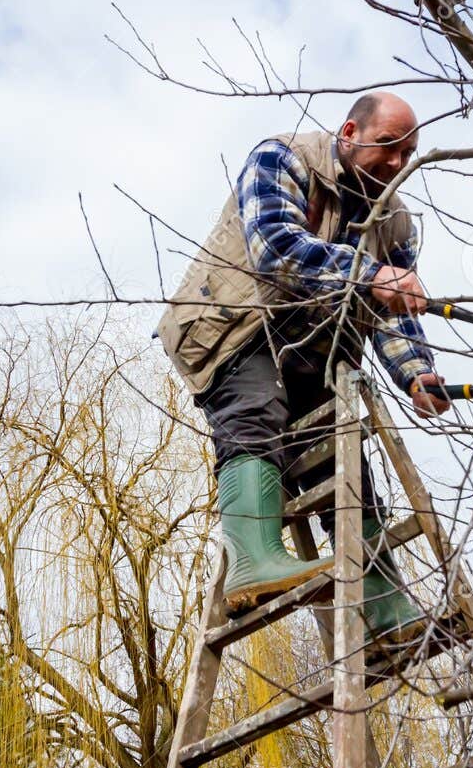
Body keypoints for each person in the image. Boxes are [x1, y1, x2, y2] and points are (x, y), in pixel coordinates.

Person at [156, 92, 448, 634]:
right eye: (387, 145)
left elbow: (388, 311)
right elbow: (275, 247)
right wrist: (370, 275)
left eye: (407, 153)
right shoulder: (282, 158)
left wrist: (417, 374)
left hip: (310, 349)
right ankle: (252, 561)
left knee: (347, 463)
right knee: (255, 411)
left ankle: (385, 608)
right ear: (349, 132)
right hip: (233, 325)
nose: (396, 163)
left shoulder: (395, 225)